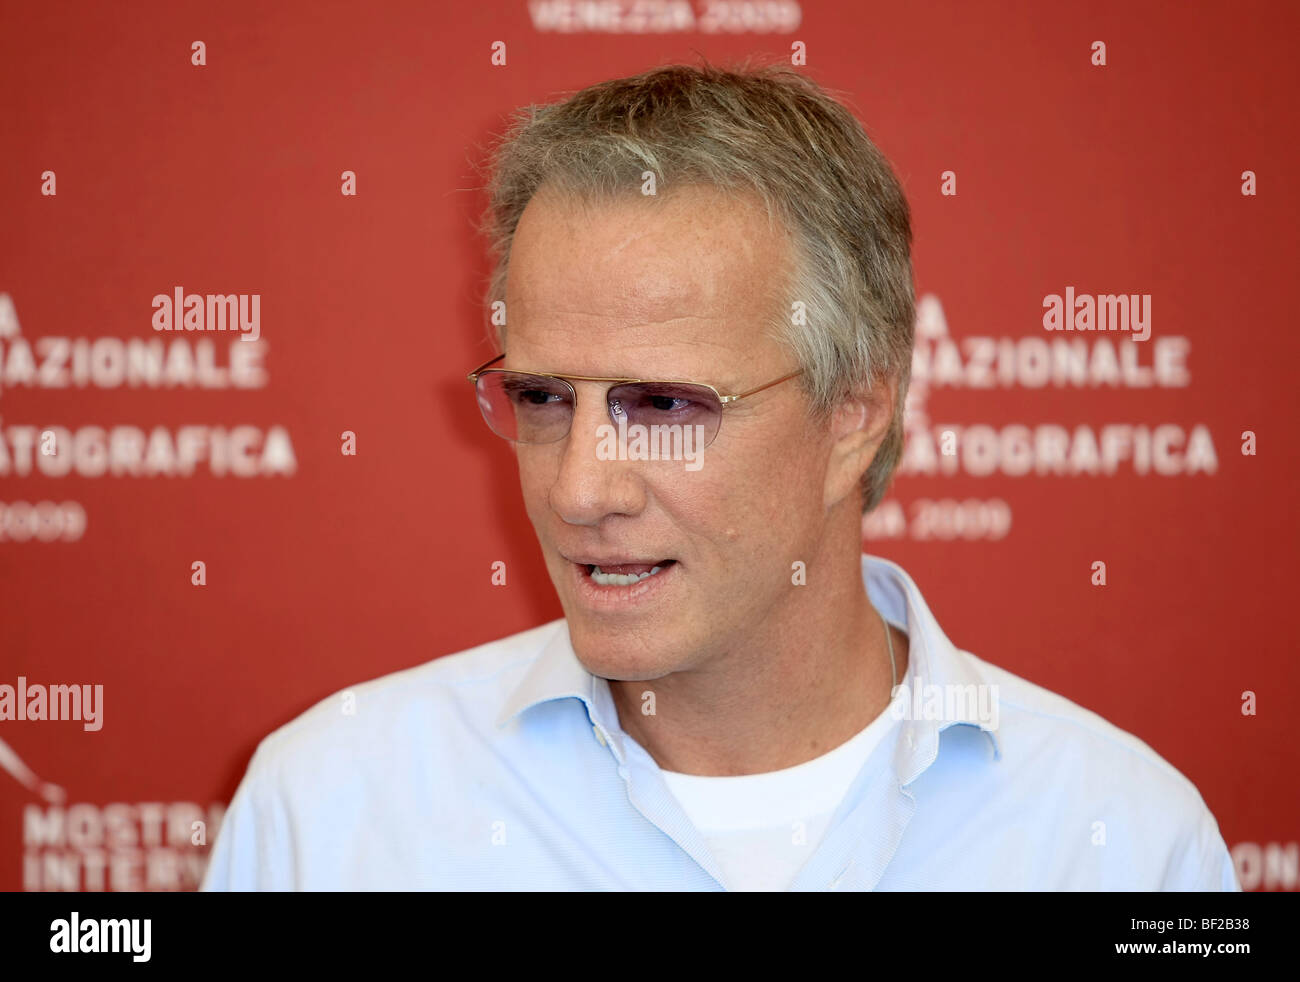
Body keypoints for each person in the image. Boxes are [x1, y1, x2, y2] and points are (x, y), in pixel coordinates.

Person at [202, 63, 1237, 891]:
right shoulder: (333, 810)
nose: (578, 489)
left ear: (853, 411)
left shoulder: (1121, 839)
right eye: (543, 399)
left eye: (664, 406)